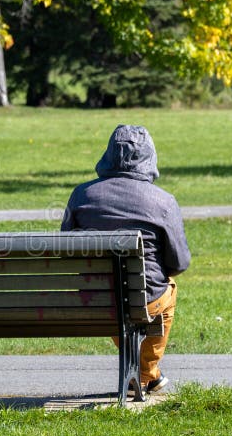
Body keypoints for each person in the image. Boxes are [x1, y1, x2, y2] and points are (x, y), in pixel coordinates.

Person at [61, 124, 191, 393]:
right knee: (165, 290)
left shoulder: (81, 195)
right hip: (146, 299)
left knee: (114, 296)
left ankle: (145, 374)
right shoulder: (163, 201)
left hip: (97, 300)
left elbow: (67, 253)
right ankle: (146, 374)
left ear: (108, 154)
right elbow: (179, 264)